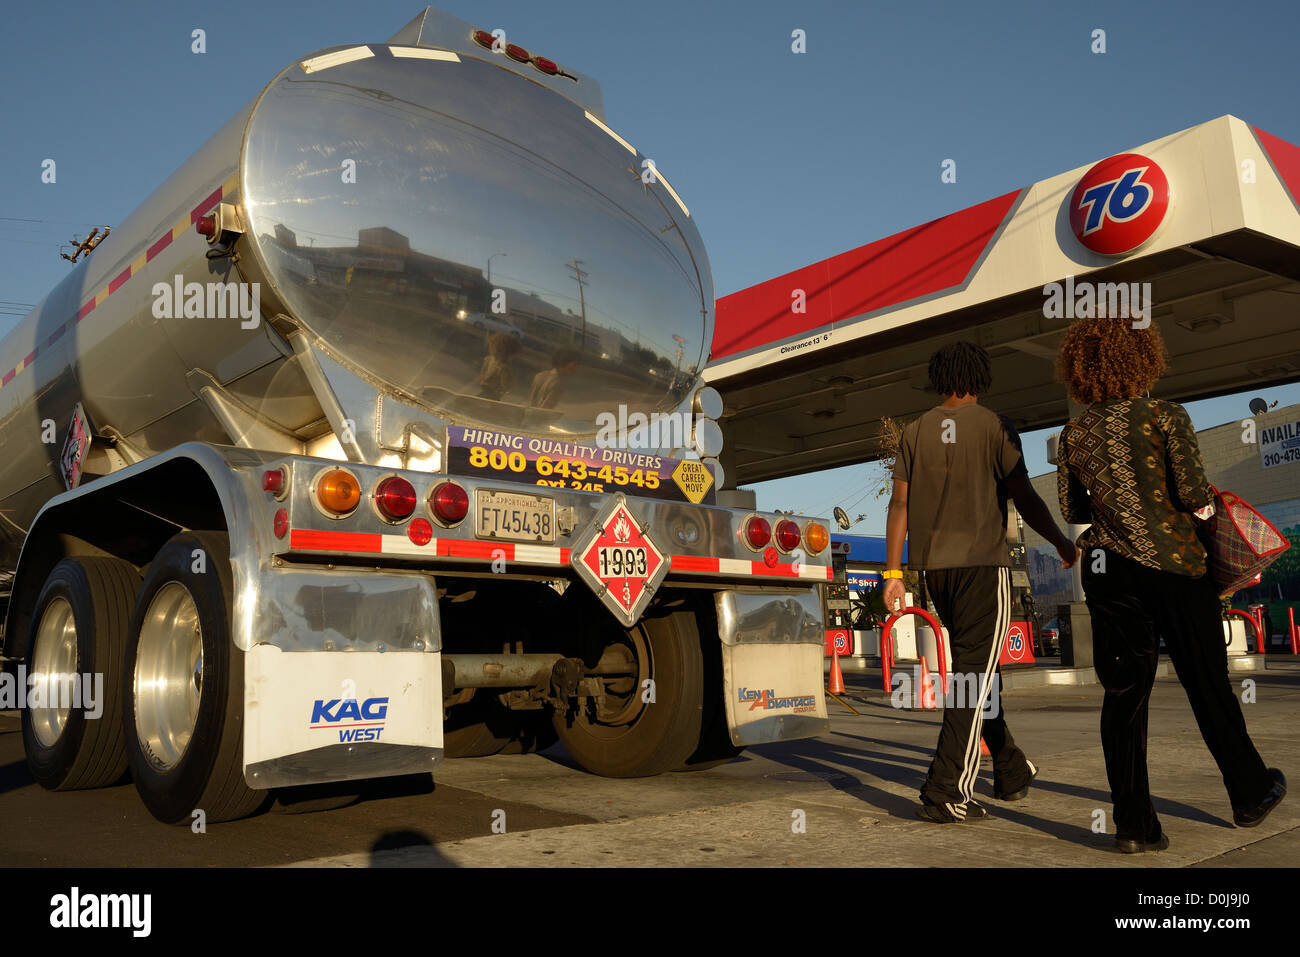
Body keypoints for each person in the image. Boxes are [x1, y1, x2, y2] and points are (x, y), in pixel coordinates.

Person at [1055, 315, 1285, 853]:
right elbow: (1188, 491)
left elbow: (1073, 508)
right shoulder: (1165, 415)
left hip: (1108, 570)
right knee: (1207, 684)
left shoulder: (1074, 432)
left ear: (1080, 370)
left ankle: (1134, 826)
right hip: (1175, 563)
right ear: (1144, 359)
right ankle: (1249, 792)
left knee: (1124, 696)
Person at [884, 342, 1078, 823]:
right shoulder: (995, 426)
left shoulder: (914, 432)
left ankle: (1010, 768)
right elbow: (1025, 496)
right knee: (973, 678)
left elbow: (899, 507)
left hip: (936, 574)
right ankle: (946, 789)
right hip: (982, 570)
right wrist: (1059, 540)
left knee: (977, 673)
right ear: (979, 378)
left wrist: (893, 574)